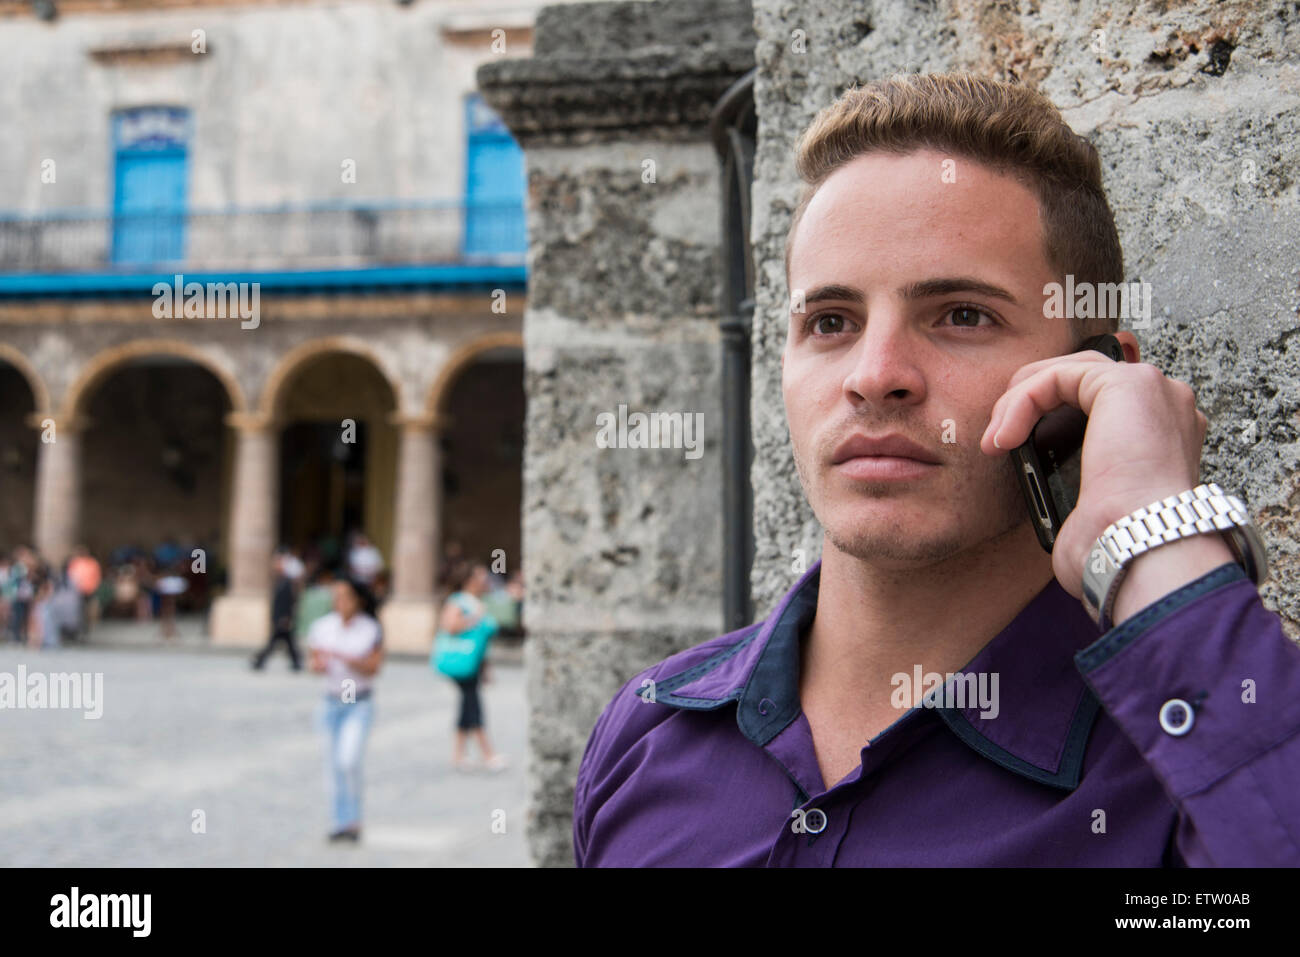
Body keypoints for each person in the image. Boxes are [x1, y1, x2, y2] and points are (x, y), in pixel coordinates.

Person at [573, 73, 1300, 867]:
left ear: (1098, 379)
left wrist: (1154, 536)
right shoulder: (649, 736)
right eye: (830, 321)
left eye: (962, 315)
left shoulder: (1183, 772)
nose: (874, 375)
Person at [307, 576, 383, 842]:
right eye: (336, 597)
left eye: (345, 597)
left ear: (357, 600)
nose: (339, 602)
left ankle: (354, 819)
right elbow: (314, 662)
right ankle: (340, 822)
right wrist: (319, 665)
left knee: (349, 760)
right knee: (333, 767)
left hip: (358, 702)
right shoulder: (322, 627)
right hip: (331, 701)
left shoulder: (369, 628)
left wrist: (348, 659)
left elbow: (373, 668)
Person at [435, 563, 506, 772]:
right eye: (480, 577)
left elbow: (481, 640)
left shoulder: (477, 602)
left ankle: (459, 754)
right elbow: (450, 626)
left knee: (467, 706)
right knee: (473, 706)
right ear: (469, 581)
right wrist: (474, 617)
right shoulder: (459, 601)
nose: (485, 581)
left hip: (473, 663)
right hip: (462, 662)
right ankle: (488, 754)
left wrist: (485, 667)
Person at [252, 550, 303, 670]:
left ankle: (260, 661)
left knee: (274, 643)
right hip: (279, 618)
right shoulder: (279, 581)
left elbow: (288, 602)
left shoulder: (286, 582)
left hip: (283, 619)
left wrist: (286, 618)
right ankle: (296, 662)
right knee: (288, 643)